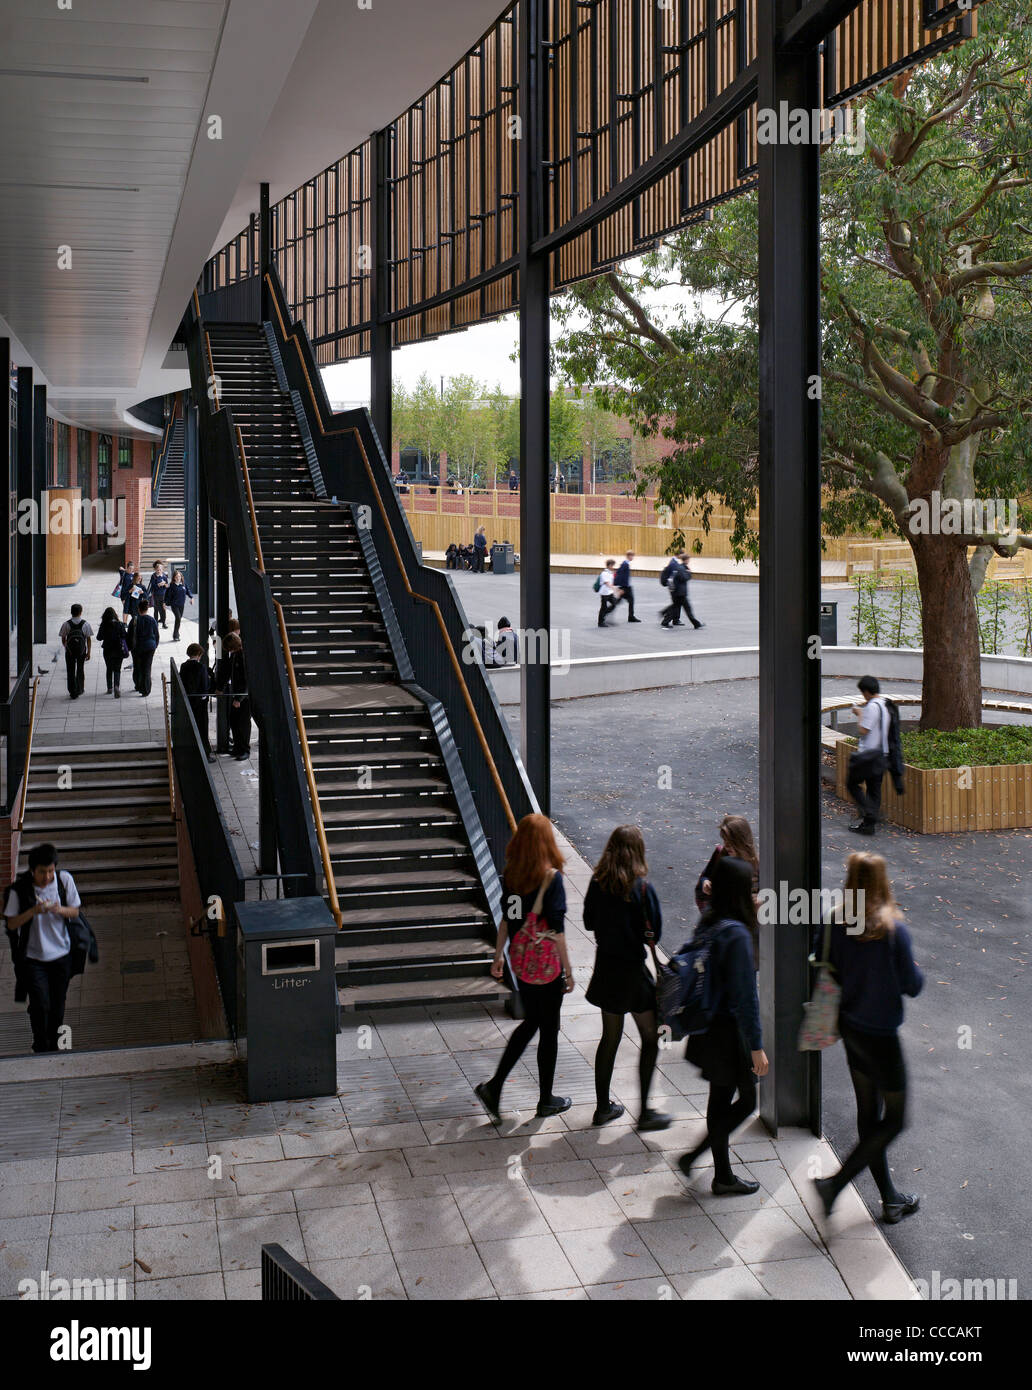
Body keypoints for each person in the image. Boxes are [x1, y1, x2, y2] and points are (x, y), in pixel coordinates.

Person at [813, 853, 923, 1226]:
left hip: (849, 1029)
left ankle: (890, 1198)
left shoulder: (833, 922)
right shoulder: (893, 931)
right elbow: (913, 985)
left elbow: (822, 963)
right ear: (882, 882)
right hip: (881, 1039)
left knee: (868, 1113)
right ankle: (835, 1185)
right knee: (894, 1120)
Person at [677, 856, 769, 1195]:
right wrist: (757, 1046)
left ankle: (720, 1174)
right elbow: (746, 997)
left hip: (707, 1026)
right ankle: (706, 1163)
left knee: (719, 1101)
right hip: (731, 1033)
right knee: (746, 1102)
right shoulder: (737, 934)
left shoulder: (711, 921)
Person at [475, 814, 575, 1122]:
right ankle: (544, 1099)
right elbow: (557, 930)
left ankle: (495, 1087)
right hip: (546, 965)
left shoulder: (513, 875)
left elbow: (507, 918)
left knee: (533, 1022)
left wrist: (499, 956)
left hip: (522, 961)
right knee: (548, 1029)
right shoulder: (551, 878)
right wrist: (568, 971)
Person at [584, 826, 672, 1131]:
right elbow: (655, 933)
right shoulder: (642, 888)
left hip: (606, 970)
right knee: (651, 1037)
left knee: (610, 1038)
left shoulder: (598, 883)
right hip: (633, 973)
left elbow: (587, 920)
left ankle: (602, 1107)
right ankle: (646, 1111)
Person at [4, 843, 81, 1053]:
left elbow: (74, 912)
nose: (47, 877)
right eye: (41, 872)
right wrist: (33, 911)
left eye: (50, 871)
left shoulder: (64, 881)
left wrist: (59, 909)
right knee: (40, 1004)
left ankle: (58, 1045)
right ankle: (40, 1045)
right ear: (32, 871)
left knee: (57, 1006)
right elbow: (11, 923)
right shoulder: (19, 890)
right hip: (33, 958)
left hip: (62, 955)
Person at [847, 675, 889, 836]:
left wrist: (859, 713)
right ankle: (868, 825)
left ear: (866, 691)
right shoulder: (884, 705)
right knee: (874, 789)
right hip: (882, 754)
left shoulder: (872, 706)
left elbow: (863, 730)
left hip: (869, 755)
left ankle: (870, 814)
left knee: (852, 783)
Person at [695, 814, 759, 913]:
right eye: (724, 840)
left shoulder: (757, 864)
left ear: (742, 840)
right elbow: (705, 877)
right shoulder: (720, 854)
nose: (726, 845)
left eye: (731, 841)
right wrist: (705, 882)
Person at [216, 632, 251, 759]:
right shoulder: (236, 655)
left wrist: (239, 698)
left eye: (230, 648)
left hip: (244, 697)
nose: (229, 651)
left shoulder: (243, 657)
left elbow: (248, 680)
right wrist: (220, 688)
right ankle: (237, 747)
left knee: (243, 723)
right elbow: (227, 672)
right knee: (234, 721)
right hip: (237, 693)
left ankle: (244, 750)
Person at [180, 643, 214, 761]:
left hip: (189, 700)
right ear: (199, 654)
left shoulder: (183, 666)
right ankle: (205, 752)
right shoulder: (201, 667)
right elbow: (205, 685)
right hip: (200, 702)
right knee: (202, 727)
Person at [661, 552, 704, 630]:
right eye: (688, 559)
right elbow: (684, 578)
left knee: (677, 607)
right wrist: (689, 574)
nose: (689, 561)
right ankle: (696, 624)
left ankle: (665, 619)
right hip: (680, 593)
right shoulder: (681, 568)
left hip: (678, 592)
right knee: (687, 609)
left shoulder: (681, 567)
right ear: (686, 560)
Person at [59, 603, 92, 699]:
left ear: (71, 612)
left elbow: (63, 637)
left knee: (70, 670)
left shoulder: (66, 624)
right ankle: (80, 689)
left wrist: (67, 647)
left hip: (69, 651)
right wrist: (88, 652)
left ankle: (72, 690)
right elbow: (88, 639)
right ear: (81, 612)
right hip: (82, 651)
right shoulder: (85, 624)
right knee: (80, 669)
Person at [128, 598, 160, 696]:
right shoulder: (152, 620)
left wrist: (130, 647)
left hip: (137, 647)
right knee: (147, 668)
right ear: (147, 609)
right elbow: (156, 634)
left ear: (138, 609)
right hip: (150, 647)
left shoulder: (134, 620)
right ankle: (145, 689)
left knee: (137, 666)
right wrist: (155, 645)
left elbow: (129, 634)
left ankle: (137, 685)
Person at [96, 607, 128, 698]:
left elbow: (99, 638)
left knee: (109, 668)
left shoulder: (104, 625)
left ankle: (109, 688)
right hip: (118, 649)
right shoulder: (120, 624)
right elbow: (125, 635)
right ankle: (116, 686)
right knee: (117, 669)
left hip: (107, 650)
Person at [166, 569, 194, 642]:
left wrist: (191, 597)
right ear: (174, 578)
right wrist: (164, 603)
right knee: (178, 618)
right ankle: (175, 635)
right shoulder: (172, 585)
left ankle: (177, 633)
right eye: (176, 577)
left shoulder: (183, 584)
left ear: (181, 577)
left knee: (178, 620)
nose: (178, 578)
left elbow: (188, 591)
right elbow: (168, 595)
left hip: (181, 605)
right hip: (174, 605)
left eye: (179, 576)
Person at [613, 551, 641, 622]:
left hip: (626, 587)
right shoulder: (625, 564)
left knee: (629, 601)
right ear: (628, 556)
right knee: (618, 601)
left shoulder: (625, 564)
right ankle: (605, 611)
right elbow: (620, 575)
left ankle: (631, 617)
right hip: (625, 587)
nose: (633, 557)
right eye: (632, 556)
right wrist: (620, 587)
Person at [596, 559, 620, 627]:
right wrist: (615, 588)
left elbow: (611, 582)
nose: (613, 567)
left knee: (614, 603)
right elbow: (607, 583)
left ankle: (604, 613)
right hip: (604, 593)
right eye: (612, 565)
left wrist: (614, 588)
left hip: (609, 592)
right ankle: (600, 622)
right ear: (609, 565)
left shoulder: (610, 573)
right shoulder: (604, 573)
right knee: (603, 607)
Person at [148, 561, 170, 629]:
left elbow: (167, 585)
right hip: (156, 595)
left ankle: (164, 623)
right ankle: (156, 623)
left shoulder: (164, 576)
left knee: (163, 609)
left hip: (163, 595)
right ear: (155, 569)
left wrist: (165, 585)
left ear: (162, 569)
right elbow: (153, 585)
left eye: (160, 570)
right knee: (156, 609)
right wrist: (158, 585)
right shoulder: (153, 576)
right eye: (157, 570)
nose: (159, 571)